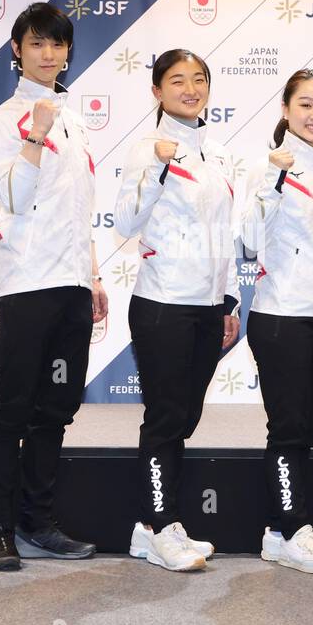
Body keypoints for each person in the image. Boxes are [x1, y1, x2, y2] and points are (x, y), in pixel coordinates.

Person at [0, 2, 107, 571]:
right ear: (16, 50)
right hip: (28, 284)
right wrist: (34, 136)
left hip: (73, 283)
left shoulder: (75, 119)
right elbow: (9, 197)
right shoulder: (5, 118)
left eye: (57, 45)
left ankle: (38, 522)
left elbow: (78, 207)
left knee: (55, 409)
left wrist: (94, 274)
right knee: (12, 410)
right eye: (36, 45)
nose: (48, 54)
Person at [115, 49, 240, 571]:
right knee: (165, 419)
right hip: (163, 303)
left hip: (207, 307)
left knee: (184, 418)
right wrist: (159, 168)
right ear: (157, 91)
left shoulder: (218, 153)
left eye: (199, 80)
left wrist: (229, 300)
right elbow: (125, 221)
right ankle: (161, 524)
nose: (190, 89)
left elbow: (224, 235)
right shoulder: (148, 150)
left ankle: (152, 527)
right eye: (177, 81)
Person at [241, 69, 313, 574]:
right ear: (286, 109)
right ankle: (293, 529)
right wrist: (273, 176)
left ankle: (278, 531)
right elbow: (248, 238)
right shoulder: (267, 166)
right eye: (305, 104)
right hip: (280, 315)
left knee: (307, 430)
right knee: (287, 429)